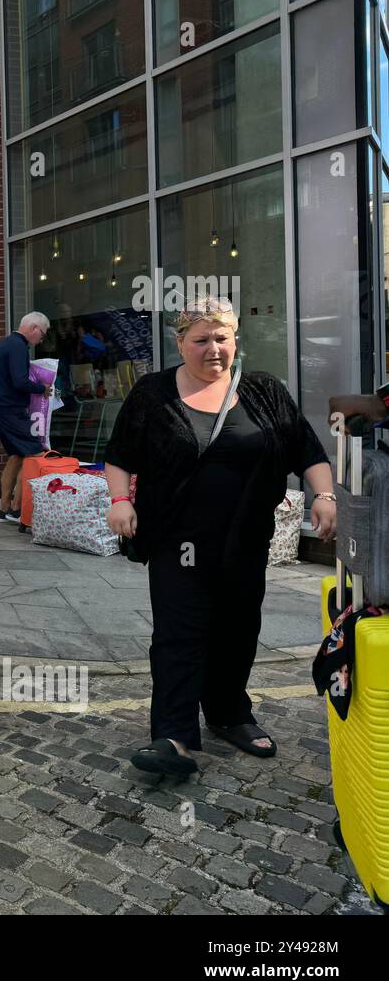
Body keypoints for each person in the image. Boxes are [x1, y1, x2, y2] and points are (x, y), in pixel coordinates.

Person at [104, 297, 336, 778]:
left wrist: (324, 496)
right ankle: (172, 736)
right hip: (179, 541)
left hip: (244, 539)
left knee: (237, 630)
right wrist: (120, 500)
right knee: (179, 636)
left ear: (235, 341)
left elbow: (306, 448)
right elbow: (120, 455)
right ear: (180, 344)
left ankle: (230, 714)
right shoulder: (153, 393)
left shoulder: (263, 391)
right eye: (201, 340)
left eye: (222, 338)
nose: (214, 349)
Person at [0, 311, 50, 521]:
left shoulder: (3, 344)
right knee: (34, 454)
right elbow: (20, 381)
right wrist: (42, 388)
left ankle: (3, 509)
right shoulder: (18, 347)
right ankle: (16, 509)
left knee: (15, 455)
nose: (41, 340)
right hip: (10, 411)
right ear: (34, 328)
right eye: (42, 335)